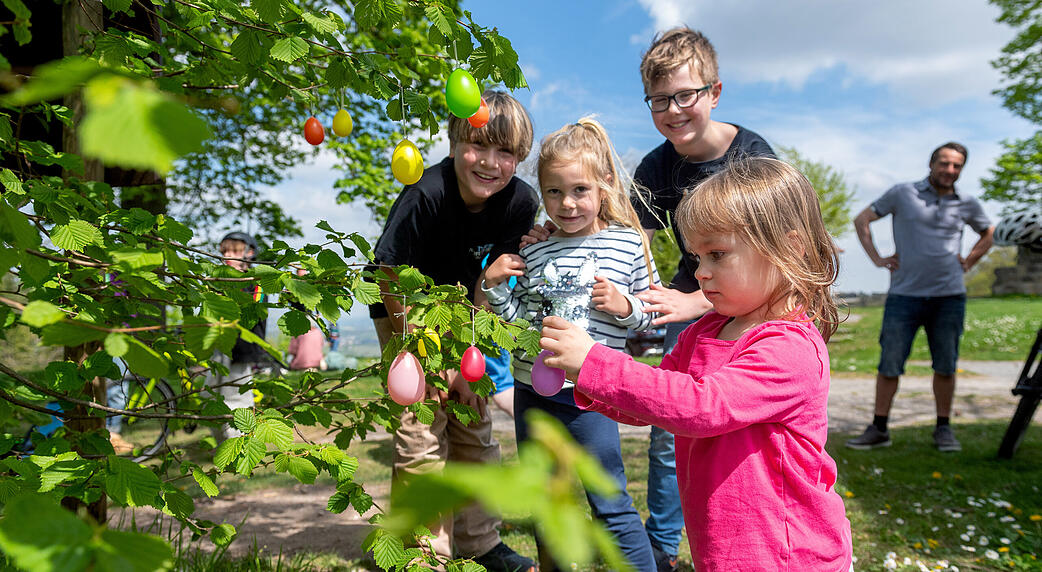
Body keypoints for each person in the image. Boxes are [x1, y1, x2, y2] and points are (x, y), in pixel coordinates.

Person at [521, 28, 777, 569]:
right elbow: (620, 231)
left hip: (748, 310)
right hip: (695, 302)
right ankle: (661, 549)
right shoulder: (658, 169)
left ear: (715, 92)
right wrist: (552, 235)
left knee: (730, 433)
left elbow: (771, 265)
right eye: (660, 100)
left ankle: (752, 536)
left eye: (686, 95)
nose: (674, 110)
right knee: (670, 432)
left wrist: (692, 304)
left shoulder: (752, 160)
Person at [540, 157, 853, 571]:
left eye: (717, 254)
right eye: (696, 257)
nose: (701, 273)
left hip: (790, 556)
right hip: (725, 551)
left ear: (788, 248)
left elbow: (703, 407)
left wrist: (597, 364)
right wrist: (585, 378)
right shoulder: (706, 331)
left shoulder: (788, 344)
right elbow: (661, 394)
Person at [368, 90, 539, 572]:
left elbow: (493, 279)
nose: (489, 162)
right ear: (453, 141)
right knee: (422, 425)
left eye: (505, 152)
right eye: (477, 146)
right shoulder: (426, 192)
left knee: (474, 419)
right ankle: (426, 552)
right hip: (403, 306)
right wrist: (414, 354)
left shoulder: (519, 202)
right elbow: (388, 275)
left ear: (519, 158)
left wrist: (469, 358)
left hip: (466, 308)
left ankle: (480, 543)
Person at [483, 118, 659, 572]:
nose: (567, 203)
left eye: (579, 189)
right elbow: (518, 322)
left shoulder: (628, 242)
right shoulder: (535, 251)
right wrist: (496, 288)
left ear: (604, 185)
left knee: (610, 501)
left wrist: (624, 307)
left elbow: (653, 308)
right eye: (554, 192)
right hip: (533, 394)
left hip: (593, 396)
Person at [845, 142, 994, 452]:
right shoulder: (902, 193)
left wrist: (969, 261)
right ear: (931, 164)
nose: (950, 170)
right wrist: (877, 259)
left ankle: (943, 429)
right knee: (890, 364)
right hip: (904, 296)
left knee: (946, 365)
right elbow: (862, 220)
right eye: (944, 163)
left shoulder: (966, 202)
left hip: (949, 296)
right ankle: (879, 428)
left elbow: (988, 231)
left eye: (956, 166)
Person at [206, 231, 267, 442]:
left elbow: (253, 311)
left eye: (234, 251)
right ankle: (222, 442)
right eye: (224, 251)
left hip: (240, 351)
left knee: (236, 399)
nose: (227, 256)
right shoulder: (216, 282)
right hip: (217, 349)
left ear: (249, 253)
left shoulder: (255, 283)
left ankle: (237, 444)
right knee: (210, 396)